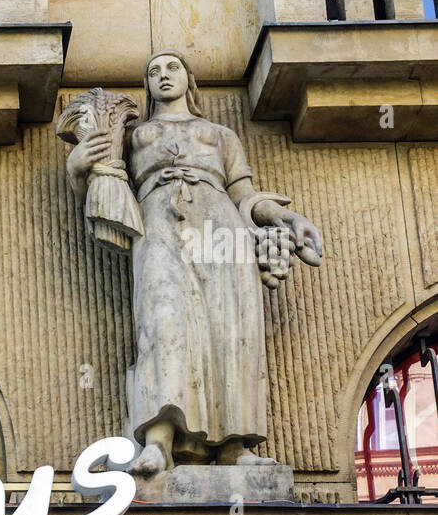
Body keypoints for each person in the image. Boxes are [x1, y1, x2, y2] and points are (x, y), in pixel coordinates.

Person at [65, 50, 322, 477]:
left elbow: (243, 194)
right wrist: (78, 167)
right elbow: (103, 187)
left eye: (172, 68)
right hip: (158, 224)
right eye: (153, 72)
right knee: (162, 322)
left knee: (230, 326)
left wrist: (287, 217)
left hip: (220, 226)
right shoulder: (133, 135)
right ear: (146, 86)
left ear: (189, 79)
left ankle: (233, 445)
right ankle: (159, 441)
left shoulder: (219, 135)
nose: (162, 76)